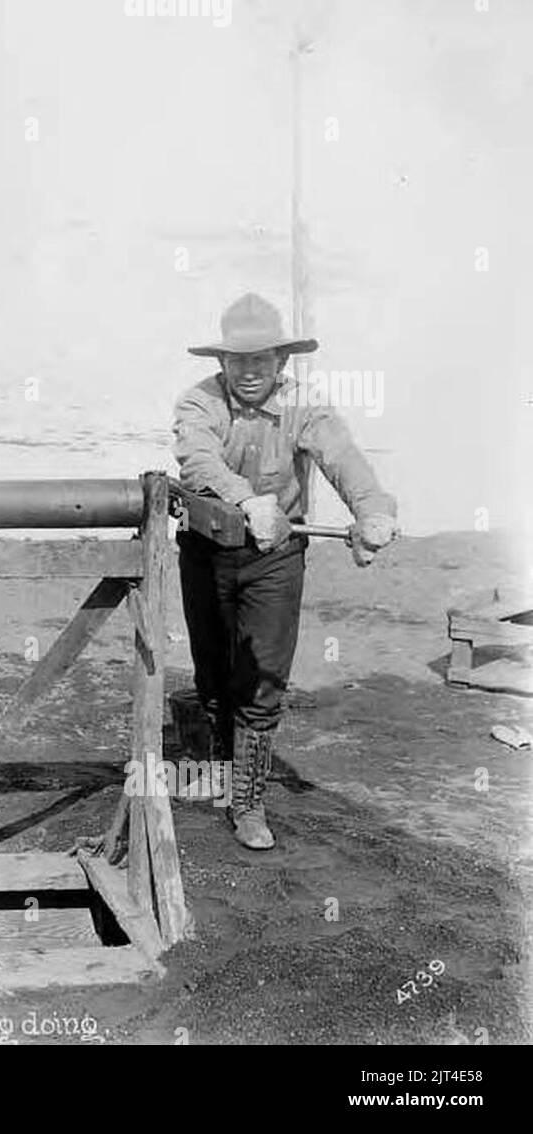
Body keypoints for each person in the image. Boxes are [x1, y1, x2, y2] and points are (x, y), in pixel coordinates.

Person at [173, 293, 398, 850]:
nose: (250, 372)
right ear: (220, 363)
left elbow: (344, 459)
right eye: (238, 361)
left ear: (281, 362)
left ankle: (247, 802)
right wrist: (247, 500)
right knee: (214, 667)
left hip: (275, 559)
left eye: (261, 361)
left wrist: (373, 512)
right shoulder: (198, 402)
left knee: (263, 677)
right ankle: (220, 770)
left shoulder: (307, 407)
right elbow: (198, 459)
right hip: (205, 551)